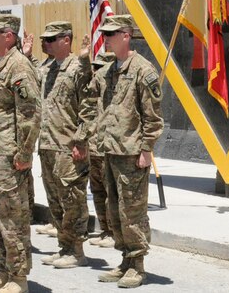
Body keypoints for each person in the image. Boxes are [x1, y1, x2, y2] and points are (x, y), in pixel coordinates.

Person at [86, 15, 164, 288]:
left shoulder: (144, 71)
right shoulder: (108, 70)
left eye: (111, 34)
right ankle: (125, 260)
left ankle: (138, 265)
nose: (106, 38)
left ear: (126, 35)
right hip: (110, 150)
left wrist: (146, 149)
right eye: (105, 34)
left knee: (133, 211)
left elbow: (153, 117)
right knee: (114, 209)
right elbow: (92, 101)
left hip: (132, 153)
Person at [0, 14, 42, 293]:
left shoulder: (18, 67)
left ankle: (18, 278)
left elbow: (30, 115)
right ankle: (3, 271)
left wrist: (24, 152)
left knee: (12, 219)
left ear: (9, 36)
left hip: (7, 156)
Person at [36, 21, 94, 270]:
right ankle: (64, 247)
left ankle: (76, 250)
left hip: (69, 147)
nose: (46, 44)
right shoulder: (47, 69)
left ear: (66, 40)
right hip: (48, 145)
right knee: (55, 201)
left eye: (51, 39)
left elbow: (89, 107)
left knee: (73, 201)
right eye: (45, 40)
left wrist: (81, 140)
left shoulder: (78, 68)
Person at [87, 45, 116, 249]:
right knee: (97, 192)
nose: (96, 71)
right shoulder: (94, 93)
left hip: (107, 149)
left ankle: (114, 232)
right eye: (94, 67)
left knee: (110, 194)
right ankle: (104, 229)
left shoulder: (113, 93)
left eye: (100, 67)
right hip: (93, 149)